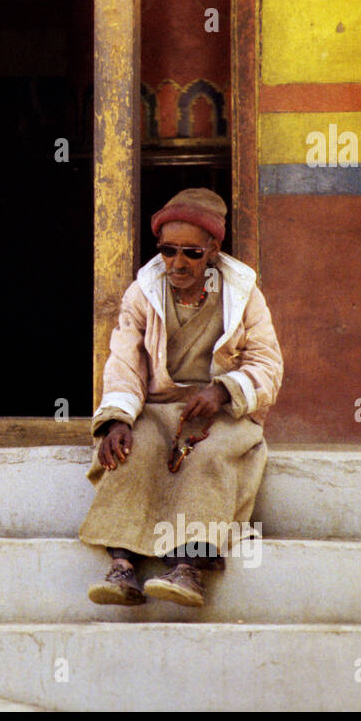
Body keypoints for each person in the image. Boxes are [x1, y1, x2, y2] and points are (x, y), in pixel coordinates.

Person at [81, 187, 283, 607]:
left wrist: (223, 390)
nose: (177, 263)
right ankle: (123, 568)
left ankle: (187, 570)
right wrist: (119, 418)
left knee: (208, 459)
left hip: (223, 412)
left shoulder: (244, 293)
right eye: (168, 250)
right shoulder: (144, 292)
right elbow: (124, 359)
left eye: (190, 253)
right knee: (132, 451)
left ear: (213, 248)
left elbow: (268, 364)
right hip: (157, 408)